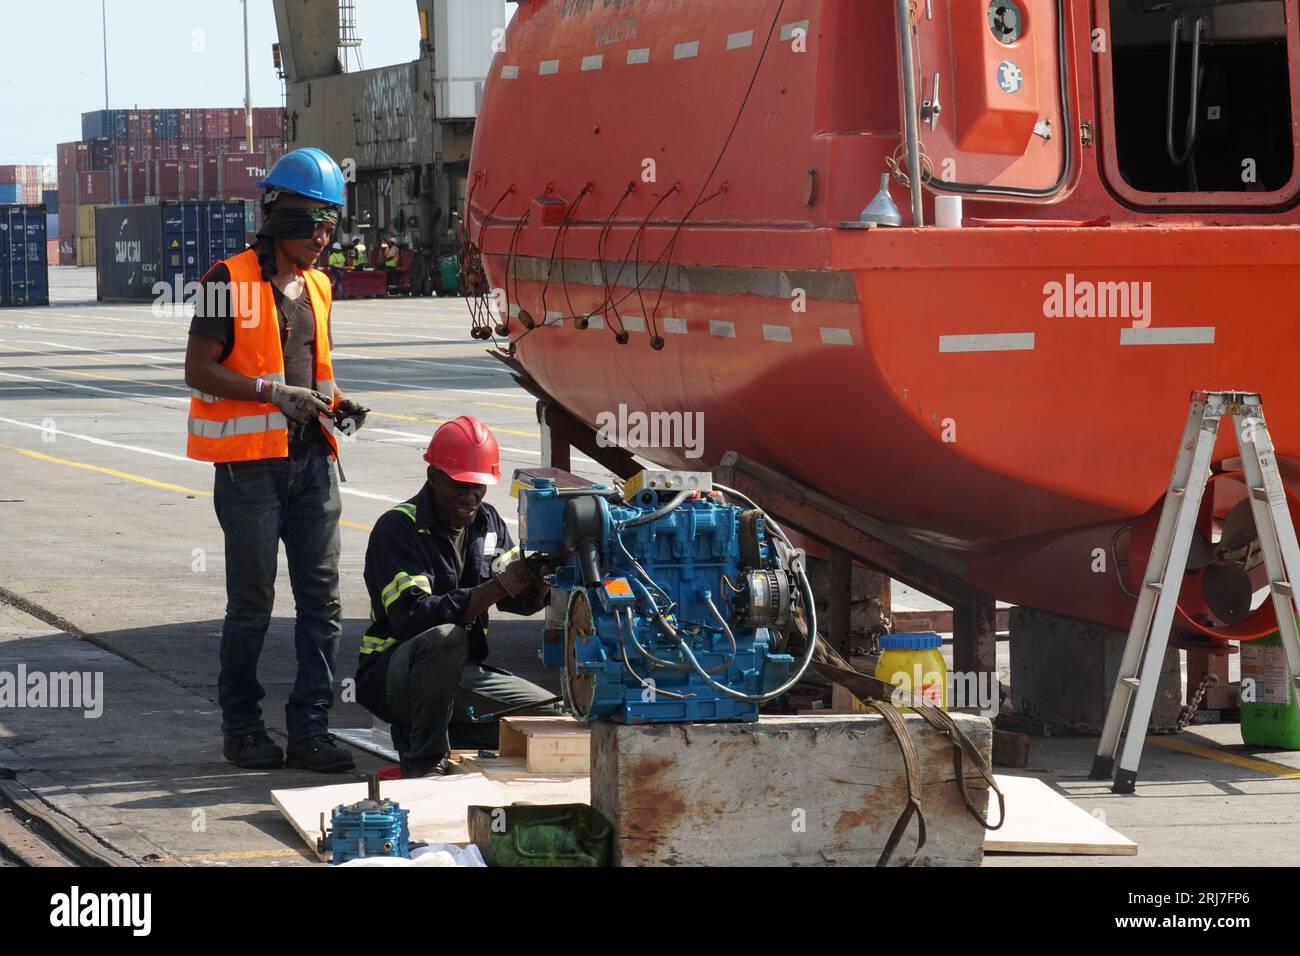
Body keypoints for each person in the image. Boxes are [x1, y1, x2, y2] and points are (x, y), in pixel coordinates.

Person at [184, 146, 371, 773]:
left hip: (313, 460)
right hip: (250, 470)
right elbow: (197, 369)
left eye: (331, 225)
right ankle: (242, 728)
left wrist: (336, 401)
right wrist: (270, 393)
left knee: (322, 602)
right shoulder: (225, 281)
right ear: (280, 214)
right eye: (316, 223)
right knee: (252, 604)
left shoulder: (318, 286)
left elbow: (309, 368)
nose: (324, 238)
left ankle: (311, 730)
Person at [355, 416, 557, 778]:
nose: (469, 496)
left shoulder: (487, 522)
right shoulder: (398, 528)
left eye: (478, 486)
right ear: (433, 477)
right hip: (394, 672)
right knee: (448, 636)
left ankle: (431, 736)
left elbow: (519, 602)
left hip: (459, 672)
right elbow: (412, 616)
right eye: (459, 484)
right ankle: (425, 763)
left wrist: (543, 575)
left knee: (550, 719)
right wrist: (498, 586)